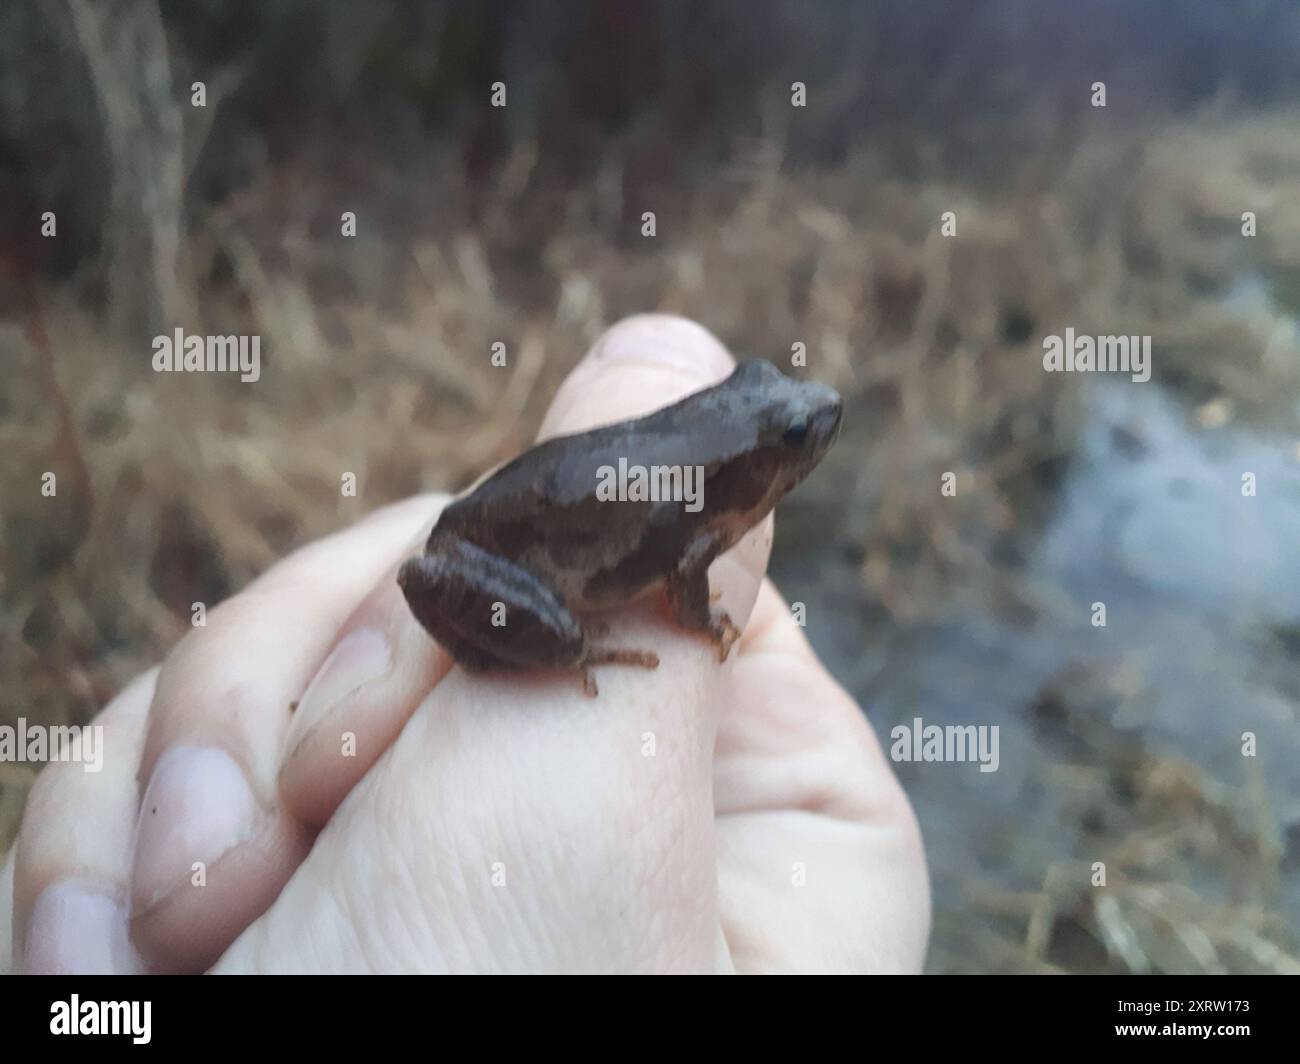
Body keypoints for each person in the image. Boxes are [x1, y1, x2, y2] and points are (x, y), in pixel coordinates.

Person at [2, 315, 930, 973]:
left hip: (500, 529)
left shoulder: (717, 497)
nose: (817, 428)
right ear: (757, 456)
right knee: (563, 634)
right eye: (798, 433)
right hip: (501, 559)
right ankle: (558, 645)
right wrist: (670, 625)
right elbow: (686, 578)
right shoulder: (716, 512)